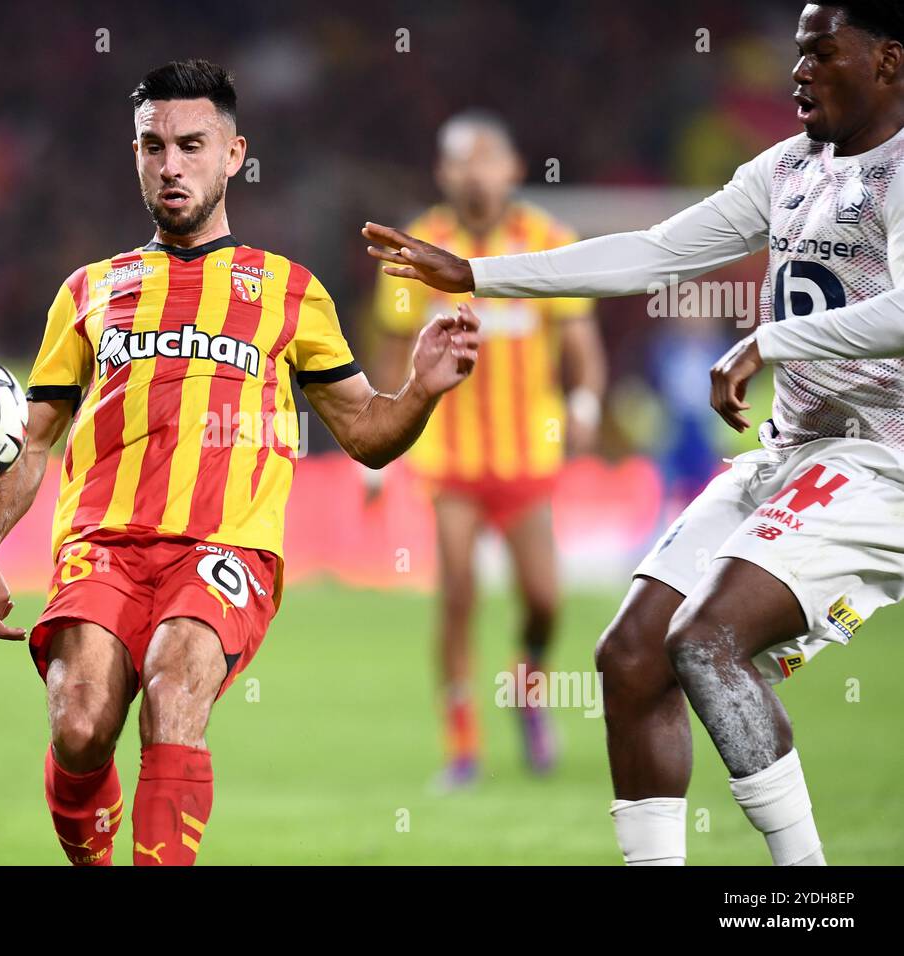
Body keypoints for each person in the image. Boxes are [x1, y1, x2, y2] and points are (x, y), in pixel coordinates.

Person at [363, 1, 904, 865]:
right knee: (629, 656)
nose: (797, 72)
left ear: (887, 61)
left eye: (820, 54)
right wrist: (477, 273)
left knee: (706, 640)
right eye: (796, 54)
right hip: (792, 454)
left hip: (883, 464)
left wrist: (768, 339)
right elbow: (653, 253)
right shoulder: (791, 167)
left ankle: (808, 890)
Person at [0, 59, 478, 865]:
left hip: (226, 549)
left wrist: (420, 389)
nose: (171, 165)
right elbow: (33, 439)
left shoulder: (290, 291)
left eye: (191, 145)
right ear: (134, 154)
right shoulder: (90, 290)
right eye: (152, 145)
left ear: (234, 154)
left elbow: (367, 431)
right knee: (81, 722)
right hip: (102, 544)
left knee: (173, 689)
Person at [370, 111, 605, 788]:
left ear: (513, 168)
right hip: (449, 456)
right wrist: (378, 448)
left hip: (528, 453)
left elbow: (582, 345)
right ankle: (463, 745)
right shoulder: (420, 248)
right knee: (459, 593)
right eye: (461, 161)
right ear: (444, 173)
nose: (475, 172)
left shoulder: (547, 241)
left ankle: (528, 693)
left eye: (487, 159)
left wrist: (585, 403)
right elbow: (391, 351)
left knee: (544, 598)